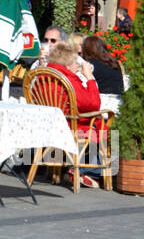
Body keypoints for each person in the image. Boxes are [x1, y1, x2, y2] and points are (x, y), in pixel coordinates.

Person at [44, 41, 104, 188]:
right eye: (76, 62)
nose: (78, 66)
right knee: (100, 124)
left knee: (95, 123)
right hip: (70, 127)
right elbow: (93, 104)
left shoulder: (44, 75)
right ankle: (86, 171)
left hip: (48, 126)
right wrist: (89, 77)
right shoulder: (67, 80)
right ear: (68, 65)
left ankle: (71, 169)